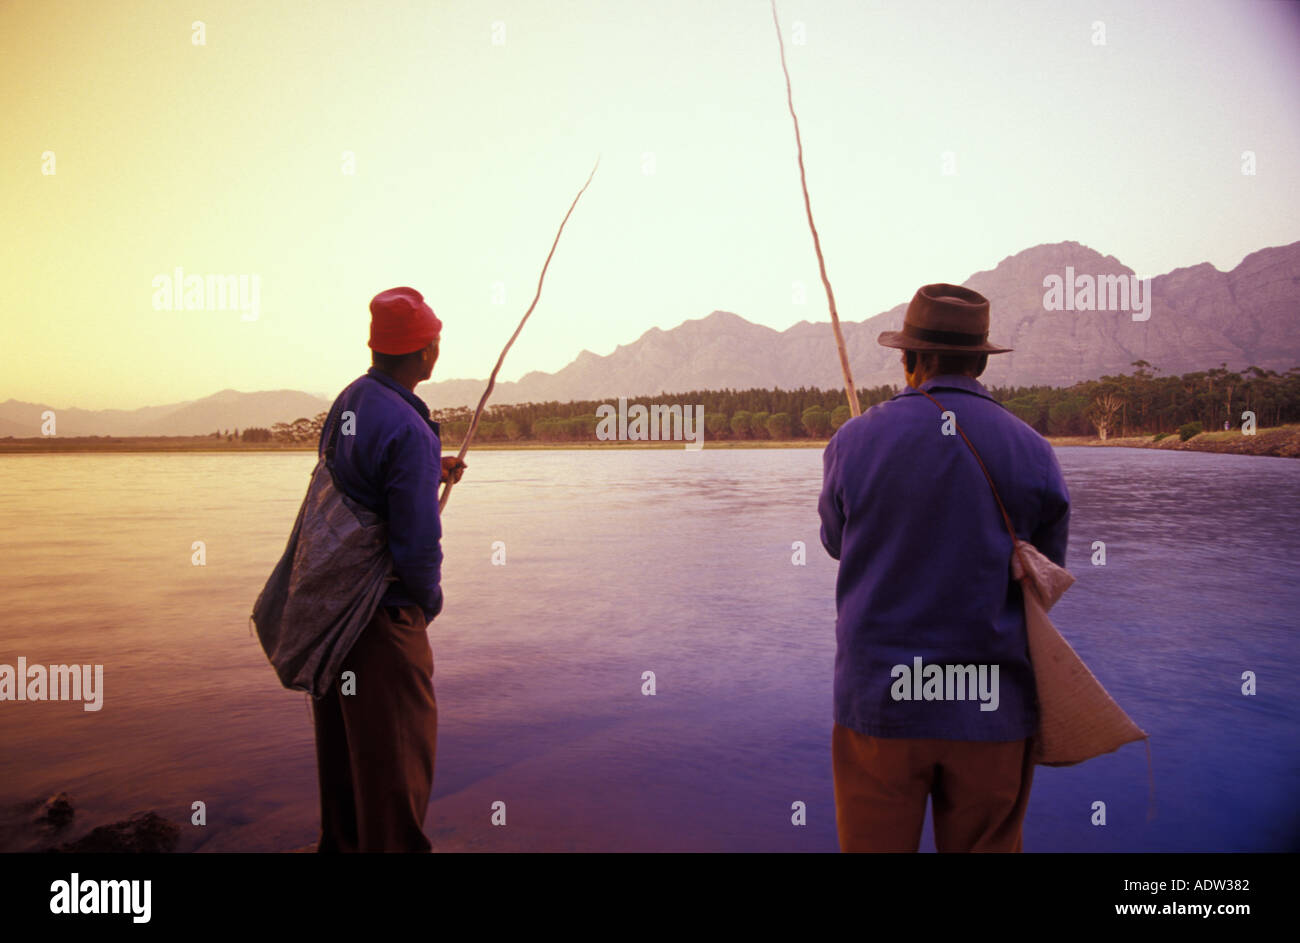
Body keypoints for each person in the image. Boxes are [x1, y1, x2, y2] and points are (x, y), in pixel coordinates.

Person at [818, 283, 1070, 853]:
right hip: (991, 708)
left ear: (909, 359)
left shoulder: (854, 440)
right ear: (981, 361)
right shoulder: (1033, 450)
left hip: (881, 702)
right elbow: (1047, 576)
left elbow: (837, 543)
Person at [310, 286, 465, 853]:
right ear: (425, 352)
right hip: (382, 615)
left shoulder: (352, 401)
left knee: (349, 752)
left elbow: (361, 480)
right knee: (398, 758)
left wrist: (428, 472)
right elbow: (416, 544)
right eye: (437, 339)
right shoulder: (409, 427)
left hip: (333, 609)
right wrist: (425, 604)